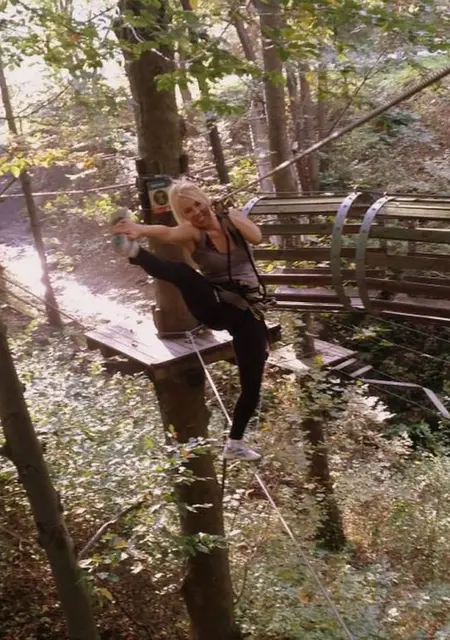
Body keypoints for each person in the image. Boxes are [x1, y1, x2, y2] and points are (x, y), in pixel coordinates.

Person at [112, 179, 268, 461]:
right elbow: (167, 233)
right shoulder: (192, 232)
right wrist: (139, 229)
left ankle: (235, 443)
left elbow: (256, 237)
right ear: (182, 215)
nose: (196, 213)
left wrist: (231, 217)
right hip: (214, 305)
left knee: (253, 381)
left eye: (198, 205)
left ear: (205, 200)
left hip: (247, 311)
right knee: (185, 274)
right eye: (188, 211)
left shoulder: (230, 218)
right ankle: (134, 252)